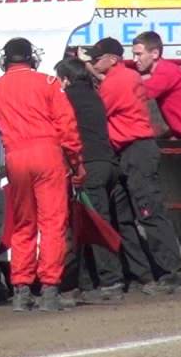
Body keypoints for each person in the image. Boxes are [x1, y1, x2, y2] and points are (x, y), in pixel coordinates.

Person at [0, 38, 84, 313]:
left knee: (23, 225)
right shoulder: (48, 83)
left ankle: (21, 290)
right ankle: (49, 289)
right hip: (47, 156)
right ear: (31, 58)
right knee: (52, 224)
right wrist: (76, 162)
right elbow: (68, 127)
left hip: (15, 159)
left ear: (5, 60)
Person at [86, 37, 181, 295]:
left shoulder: (115, 83)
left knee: (148, 211)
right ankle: (160, 271)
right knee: (143, 211)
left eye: (97, 58)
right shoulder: (128, 77)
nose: (94, 62)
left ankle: (170, 272)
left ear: (113, 59)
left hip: (134, 150)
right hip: (136, 149)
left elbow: (97, 114)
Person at [56, 58, 138, 304]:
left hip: (88, 166)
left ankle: (110, 281)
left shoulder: (67, 98)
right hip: (109, 163)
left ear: (66, 79)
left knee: (95, 223)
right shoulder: (95, 94)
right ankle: (106, 277)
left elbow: (64, 132)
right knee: (113, 221)